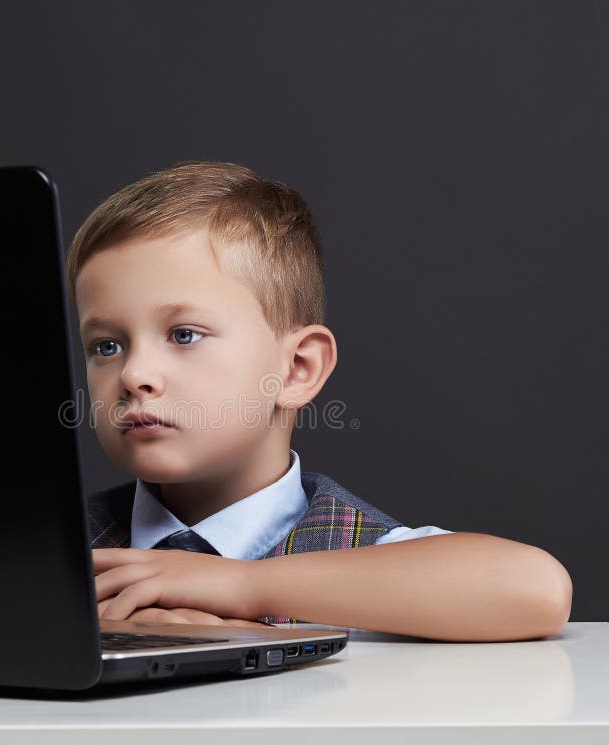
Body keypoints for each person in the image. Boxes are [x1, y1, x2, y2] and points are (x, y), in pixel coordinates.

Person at [66, 161, 572, 641]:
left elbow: (535, 588)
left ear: (296, 369)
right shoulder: (46, 554)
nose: (134, 375)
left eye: (184, 335)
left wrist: (237, 585)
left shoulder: (376, 564)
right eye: (106, 346)